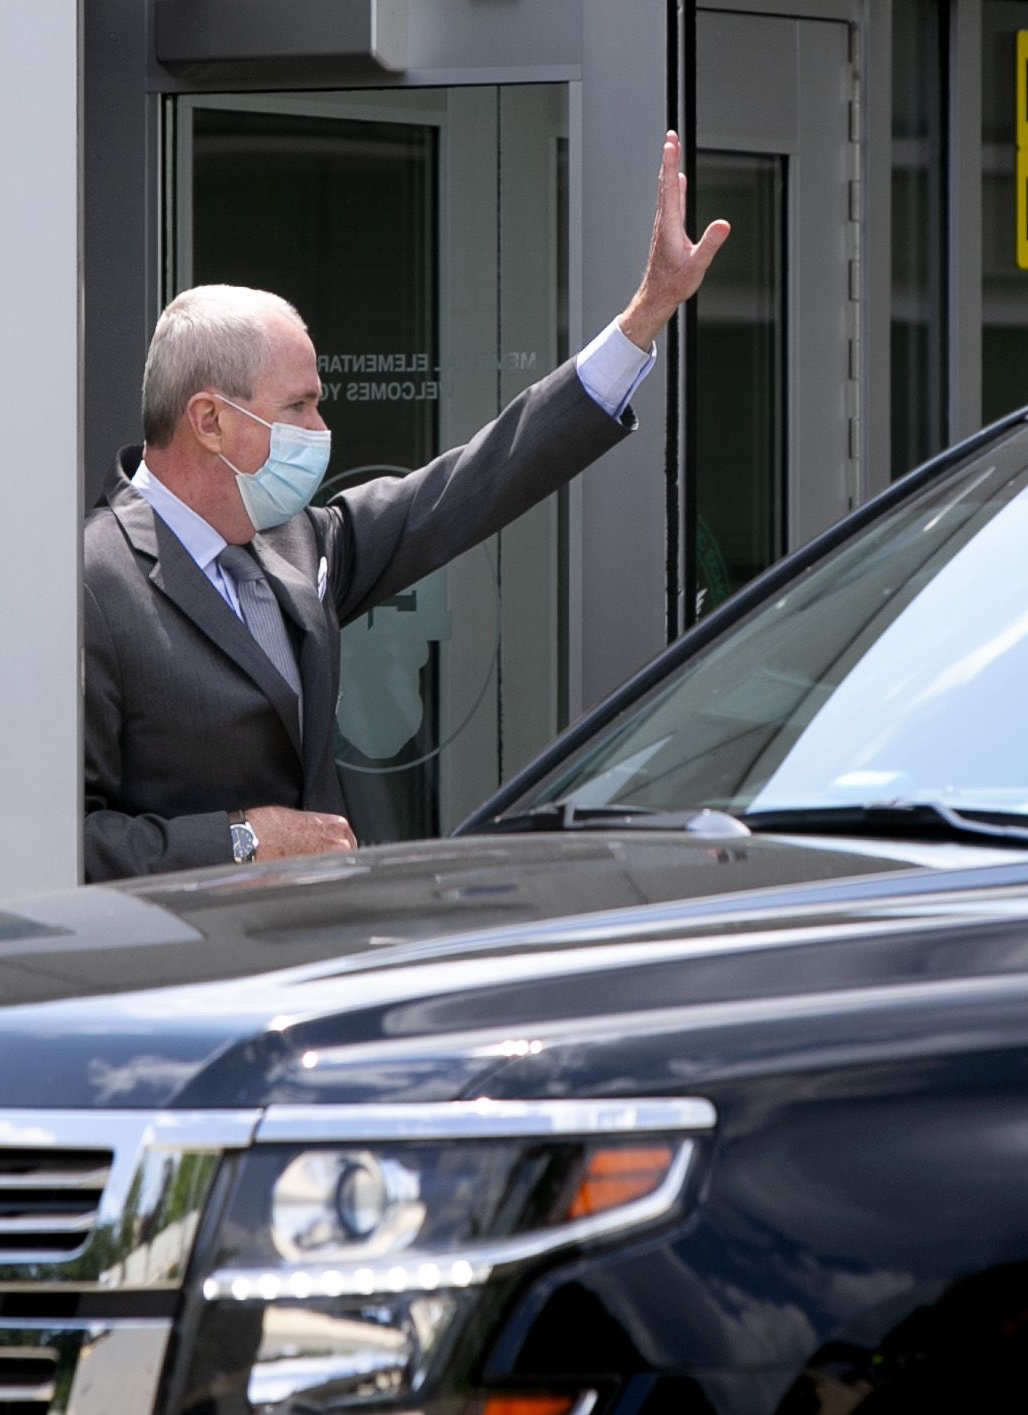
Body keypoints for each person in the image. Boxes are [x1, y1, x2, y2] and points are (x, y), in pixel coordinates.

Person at [85, 132, 729, 880]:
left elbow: (478, 479)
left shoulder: (300, 542)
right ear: (208, 420)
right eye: (298, 407)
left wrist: (645, 316)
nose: (321, 432)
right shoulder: (97, 582)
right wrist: (244, 839)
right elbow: (58, 839)